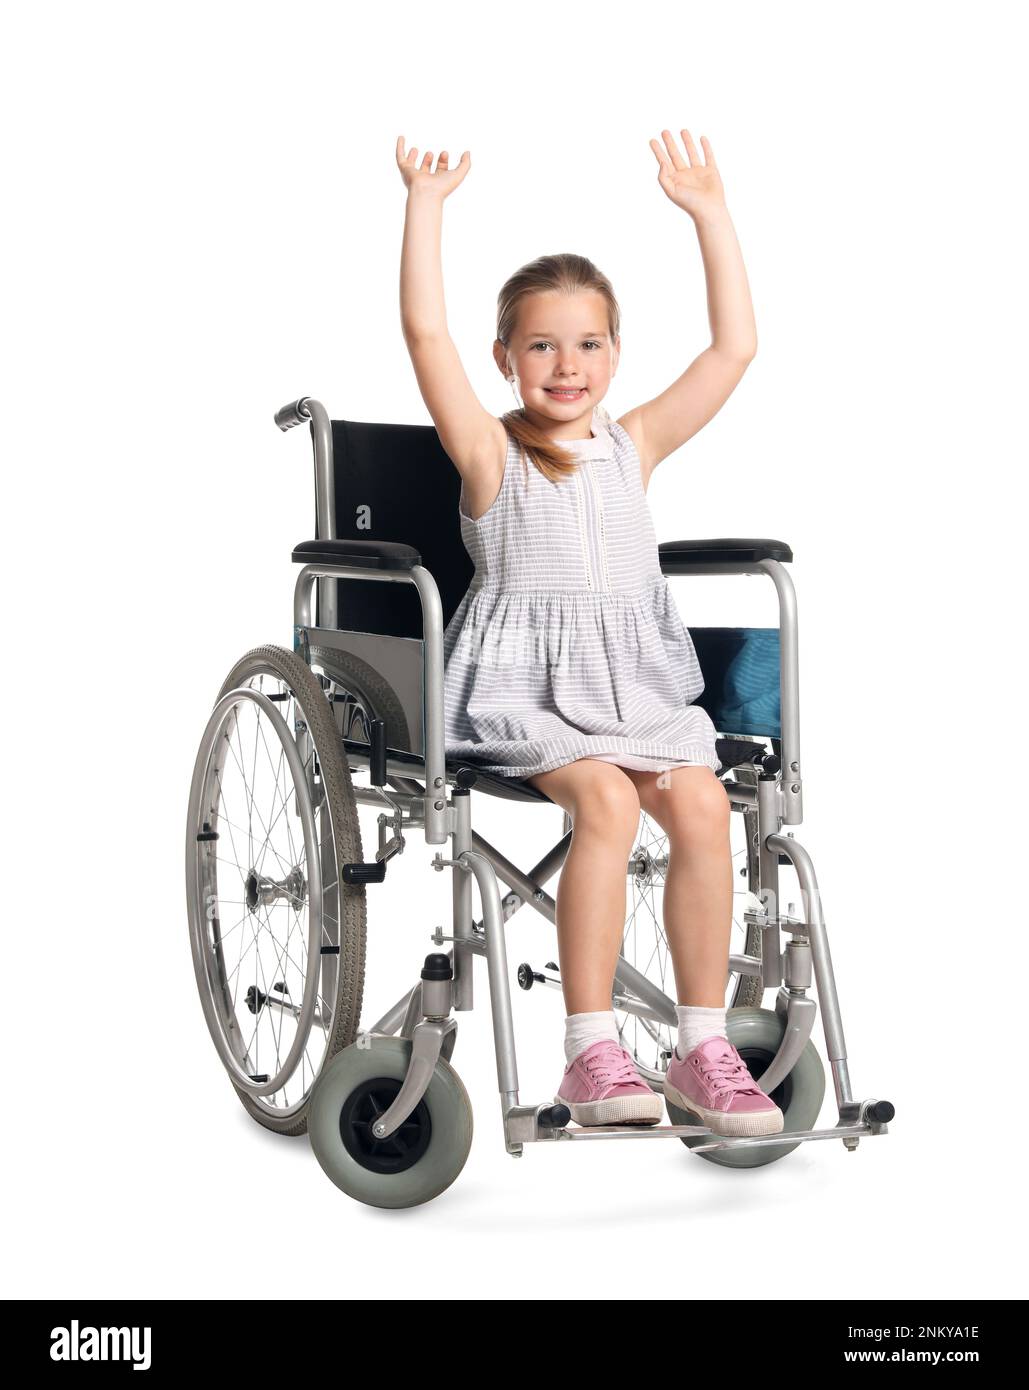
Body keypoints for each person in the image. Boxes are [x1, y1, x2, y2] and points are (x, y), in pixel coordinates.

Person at [395, 129, 783, 1139]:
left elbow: (734, 349)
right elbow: (426, 337)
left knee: (700, 802)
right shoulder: (490, 451)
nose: (567, 365)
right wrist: (426, 207)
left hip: (634, 687)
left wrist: (709, 213)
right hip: (527, 692)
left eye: (589, 344)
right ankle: (592, 1049)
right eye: (542, 344)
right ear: (507, 357)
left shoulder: (634, 443)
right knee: (607, 801)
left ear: (615, 353)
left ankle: (703, 1046)